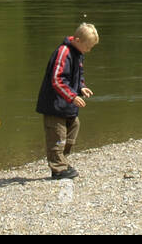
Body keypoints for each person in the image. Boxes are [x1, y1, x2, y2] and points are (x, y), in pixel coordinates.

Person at [36, 22, 98, 179]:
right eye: (88, 47)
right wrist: (72, 96)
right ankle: (57, 168)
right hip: (54, 103)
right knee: (57, 135)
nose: (89, 50)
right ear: (77, 40)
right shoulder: (63, 52)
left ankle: (62, 160)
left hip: (67, 103)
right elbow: (57, 79)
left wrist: (81, 88)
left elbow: (78, 75)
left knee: (74, 126)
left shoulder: (78, 53)